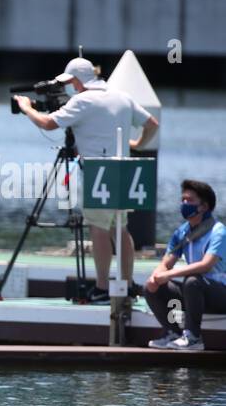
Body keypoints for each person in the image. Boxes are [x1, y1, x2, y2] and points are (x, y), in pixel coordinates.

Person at [15, 57, 160, 302]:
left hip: (97, 173)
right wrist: (135, 144)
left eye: (70, 82)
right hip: (123, 169)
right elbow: (152, 123)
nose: (69, 86)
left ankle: (103, 287)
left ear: (77, 80)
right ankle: (128, 283)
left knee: (99, 228)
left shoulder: (83, 101)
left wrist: (27, 108)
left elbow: (48, 123)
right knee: (120, 227)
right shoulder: (121, 96)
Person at [144, 180, 225, 352]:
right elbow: (166, 262)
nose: (184, 204)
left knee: (192, 281)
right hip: (195, 293)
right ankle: (173, 332)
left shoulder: (219, 231)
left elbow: (206, 265)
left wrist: (170, 274)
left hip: (219, 293)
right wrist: (155, 277)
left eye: (190, 201)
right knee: (151, 286)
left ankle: (194, 338)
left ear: (203, 206)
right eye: (183, 200)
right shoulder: (182, 232)